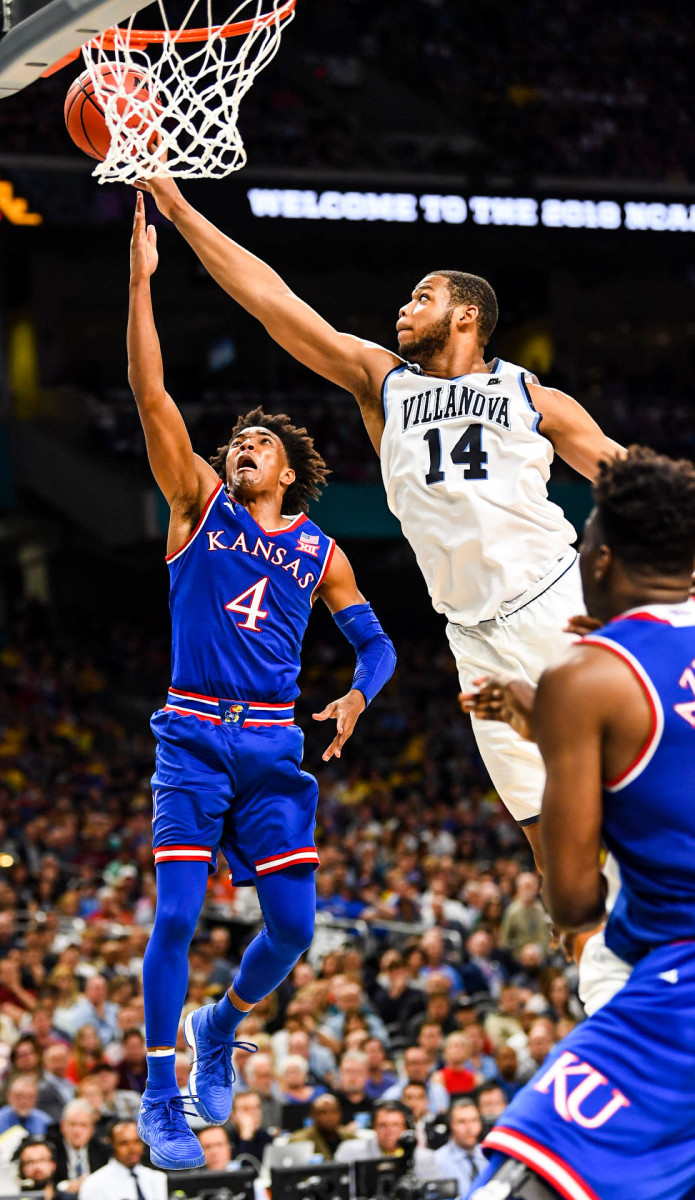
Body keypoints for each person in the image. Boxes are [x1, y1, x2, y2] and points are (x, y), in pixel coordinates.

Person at [136, 173, 623, 867]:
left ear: (465, 318)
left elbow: (626, 477)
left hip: (552, 604)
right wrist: (180, 211)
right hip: (471, 633)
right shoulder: (382, 382)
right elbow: (275, 304)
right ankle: (596, 973)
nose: (403, 308)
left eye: (421, 297)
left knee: (633, 793)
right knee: (549, 845)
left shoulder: (531, 397)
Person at [127, 194, 396, 1172]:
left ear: (285, 471)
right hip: (194, 732)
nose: (240, 443)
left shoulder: (321, 552)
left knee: (291, 928)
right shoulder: (196, 503)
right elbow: (151, 396)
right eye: (234, 436)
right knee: (176, 916)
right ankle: (161, 1095)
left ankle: (219, 1026)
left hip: (276, 745)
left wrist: (360, 694)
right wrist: (140, 284)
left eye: (258, 442)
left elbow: (379, 648)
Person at [464, 448, 695, 1200]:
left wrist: (561, 729)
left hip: (678, 982)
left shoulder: (589, 675)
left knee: (526, 1180)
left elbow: (571, 902)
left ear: (597, 560)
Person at [334, 1101, 442, 1182]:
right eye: (383, 1125)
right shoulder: (350, 1152)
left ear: (406, 1128)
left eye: (395, 1125)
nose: (389, 1131)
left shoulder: (424, 1158)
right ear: (374, 1127)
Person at [76, 1121, 167, 1200]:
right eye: (123, 1143)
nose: (132, 1149)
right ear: (111, 1145)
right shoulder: (94, 1185)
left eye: (137, 1141)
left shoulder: (157, 1178)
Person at [46, 1099, 109, 1194]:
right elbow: (45, 1183)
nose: (77, 1131)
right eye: (72, 1124)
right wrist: (66, 1186)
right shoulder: (50, 1149)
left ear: (92, 1129)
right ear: (62, 1126)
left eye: (83, 1125)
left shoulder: (103, 1151)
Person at [433, 1100, 487, 1196]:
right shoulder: (437, 1160)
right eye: (462, 1122)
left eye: (474, 1120)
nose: (469, 1127)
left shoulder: (489, 1154)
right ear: (451, 1125)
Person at [287, 1093, 352, 1160]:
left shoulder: (349, 1138)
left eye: (334, 1111)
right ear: (313, 1115)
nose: (329, 1117)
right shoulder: (300, 1141)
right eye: (323, 1113)